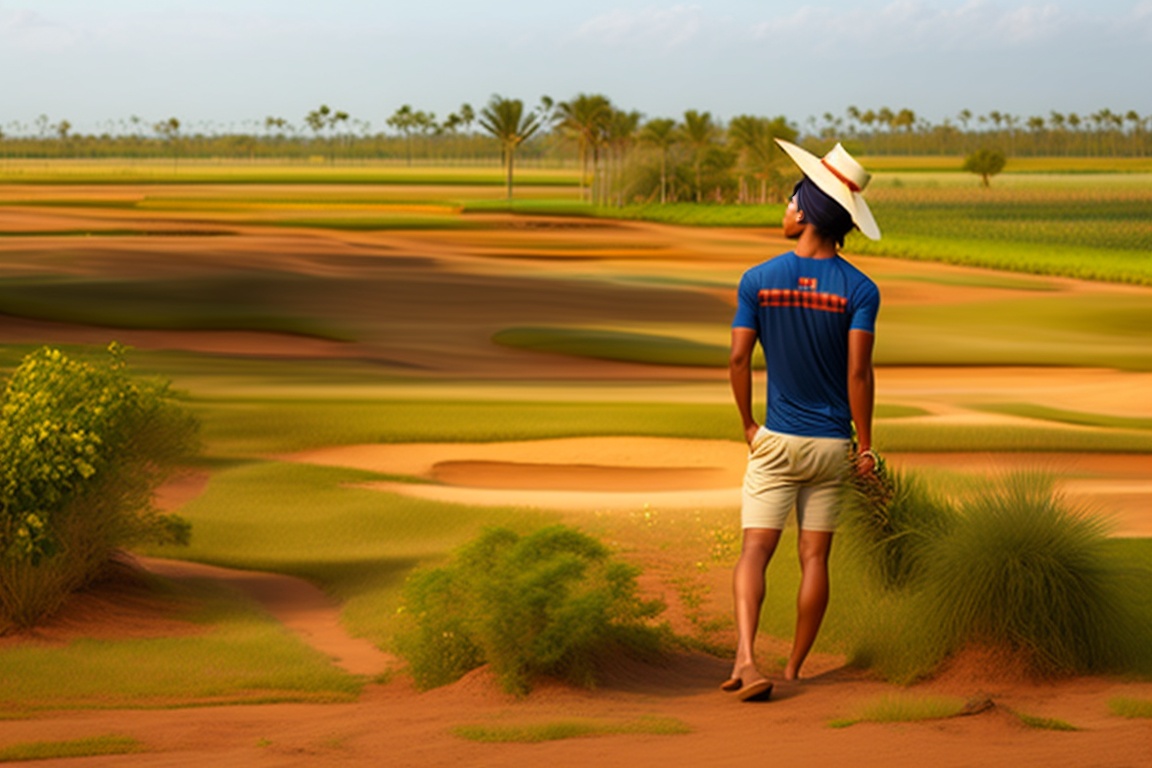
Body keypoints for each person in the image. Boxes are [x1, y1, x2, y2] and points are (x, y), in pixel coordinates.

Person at [723, 139, 882, 702]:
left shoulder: (758, 280)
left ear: (807, 210)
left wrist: (748, 425)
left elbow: (740, 359)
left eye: (792, 198)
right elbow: (858, 375)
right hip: (831, 446)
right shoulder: (861, 290)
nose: (785, 208)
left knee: (754, 552)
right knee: (815, 558)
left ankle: (746, 658)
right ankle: (793, 670)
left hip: (775, 439)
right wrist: (865, 446)